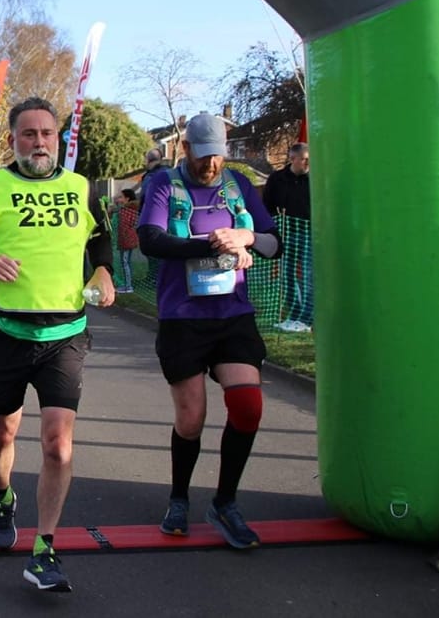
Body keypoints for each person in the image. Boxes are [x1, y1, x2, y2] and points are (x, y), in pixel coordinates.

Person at [0, 97, 116, 593]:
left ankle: (45, 548)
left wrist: (103, 269)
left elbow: (100, 240)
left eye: (47, 134)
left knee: (57, 443)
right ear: (12, 139)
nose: (39, 142)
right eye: (29, 134)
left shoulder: (80, 188)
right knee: (3, 434)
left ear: (59, 138)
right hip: (6, 335)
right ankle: (2, 494)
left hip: (66, 335)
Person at [137, 112, 283, 548]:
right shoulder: (164, 184)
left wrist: (246, 238)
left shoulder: (237, 185)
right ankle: (179, 497)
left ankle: (225, 501)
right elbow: (150, 239)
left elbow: (273, 242)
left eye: (217, 156)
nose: (210, 166)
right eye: (202, 157)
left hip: (232, 315)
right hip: (183, 318)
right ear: (185, 150)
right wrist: (212, 244)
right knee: (192, 418)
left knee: (248, 406)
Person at [260, 141, 314, 330]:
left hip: (309, 234)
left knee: (308, 276)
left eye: (310, 160)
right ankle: (294, 315)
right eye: (304, 160)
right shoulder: (277, 179)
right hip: (286, 234)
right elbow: (266, 205)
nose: (308, 164)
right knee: (288, 277)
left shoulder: (315, 179)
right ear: (293, 159)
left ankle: (306, 319)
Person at [114, 187, 141, 290]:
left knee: (125, 263)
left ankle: (128, 286)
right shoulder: (127, 209)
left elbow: (124, 225)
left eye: (121, 197)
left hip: (126, 239)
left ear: (127, 199)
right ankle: (127, 284)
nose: (118, 199)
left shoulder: (127, 210)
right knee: (127, 262)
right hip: (128, 239)